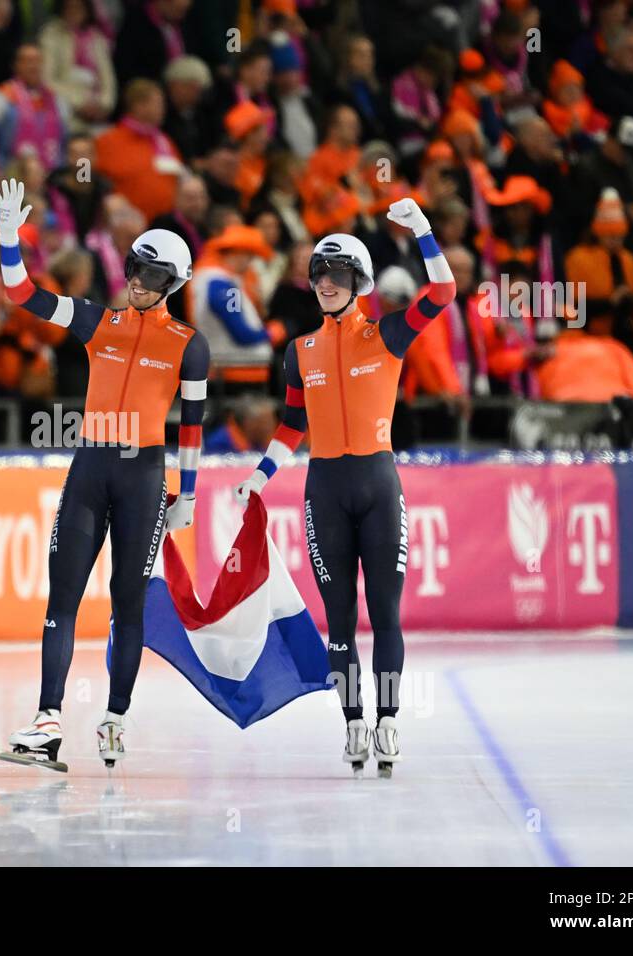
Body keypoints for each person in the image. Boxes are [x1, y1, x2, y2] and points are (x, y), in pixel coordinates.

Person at [233, 199, 457, 776]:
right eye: (318, 276)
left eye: (337, 277)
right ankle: (353, 723)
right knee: (337, 619)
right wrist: (261, 475)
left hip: (379, 486)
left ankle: (388, 721)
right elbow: (291, 425)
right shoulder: (299, 351)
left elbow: (444, 292)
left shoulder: (386, 336)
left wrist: (425, 232)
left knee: (384, 612)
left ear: (358, 282)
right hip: (324, 489)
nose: (325, 286)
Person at [0, 178, 209, 770]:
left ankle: (115, 716)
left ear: (174, 285)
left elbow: (192, 425)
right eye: (135, 272)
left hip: (143, 478)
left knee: (127, 601)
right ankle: (46, 722)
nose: (140, 285)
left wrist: (187, 492)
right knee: (61, 594)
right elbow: (23, 294)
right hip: (90, 467)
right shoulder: (97, 321)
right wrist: (10, 238)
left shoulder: (190, 344)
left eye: (154, 279)